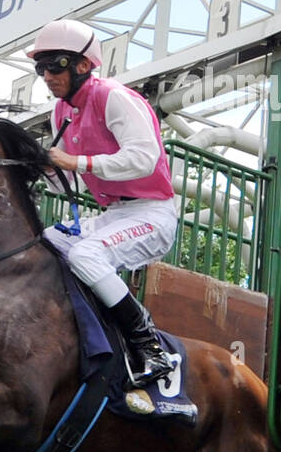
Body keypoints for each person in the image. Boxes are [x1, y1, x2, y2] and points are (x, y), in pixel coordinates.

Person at [29, 19, 176, 387]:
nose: (47, 75)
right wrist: (45, 170)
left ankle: (149, 345)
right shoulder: (60, 112)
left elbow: (144, 158)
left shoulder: (113, 96)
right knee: (44, 243)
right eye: (40, 67)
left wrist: (74, 162)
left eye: (55, 64)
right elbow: (75, 180)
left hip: (154, 214)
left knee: (85, 255)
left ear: (83, 65)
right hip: (115, 214)